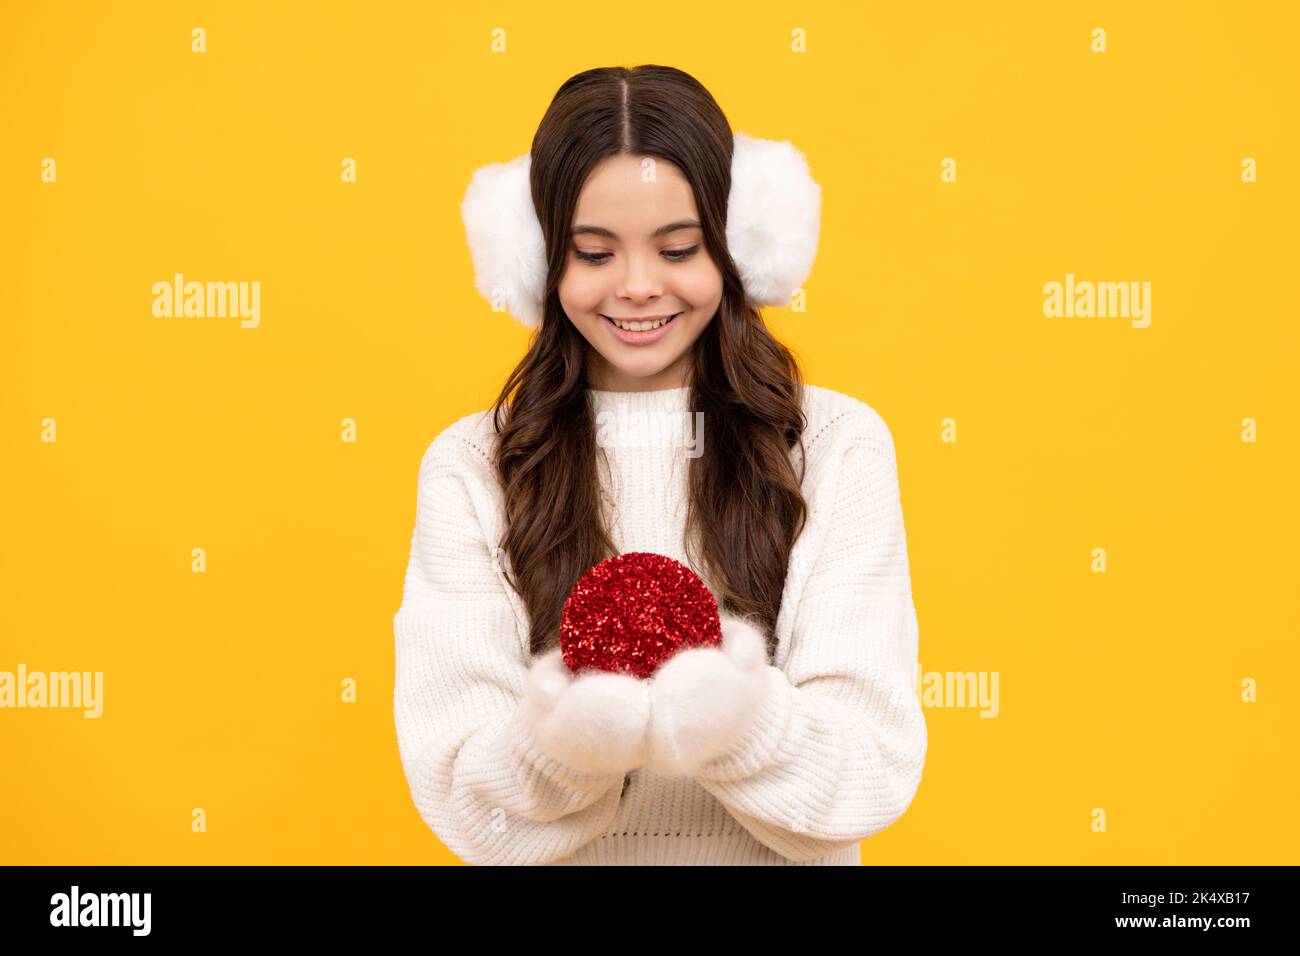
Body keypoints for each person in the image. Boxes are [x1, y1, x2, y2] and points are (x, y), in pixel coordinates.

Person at [393, 64, 926, 865]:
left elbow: (869, 772)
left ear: (739, 247)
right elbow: (469, 802)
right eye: (594, 254)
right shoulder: (473, 467)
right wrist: (574, 741)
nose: (638, 286)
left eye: (678, 247)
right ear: (538, 260)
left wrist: (729, 721)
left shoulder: (837, 444)